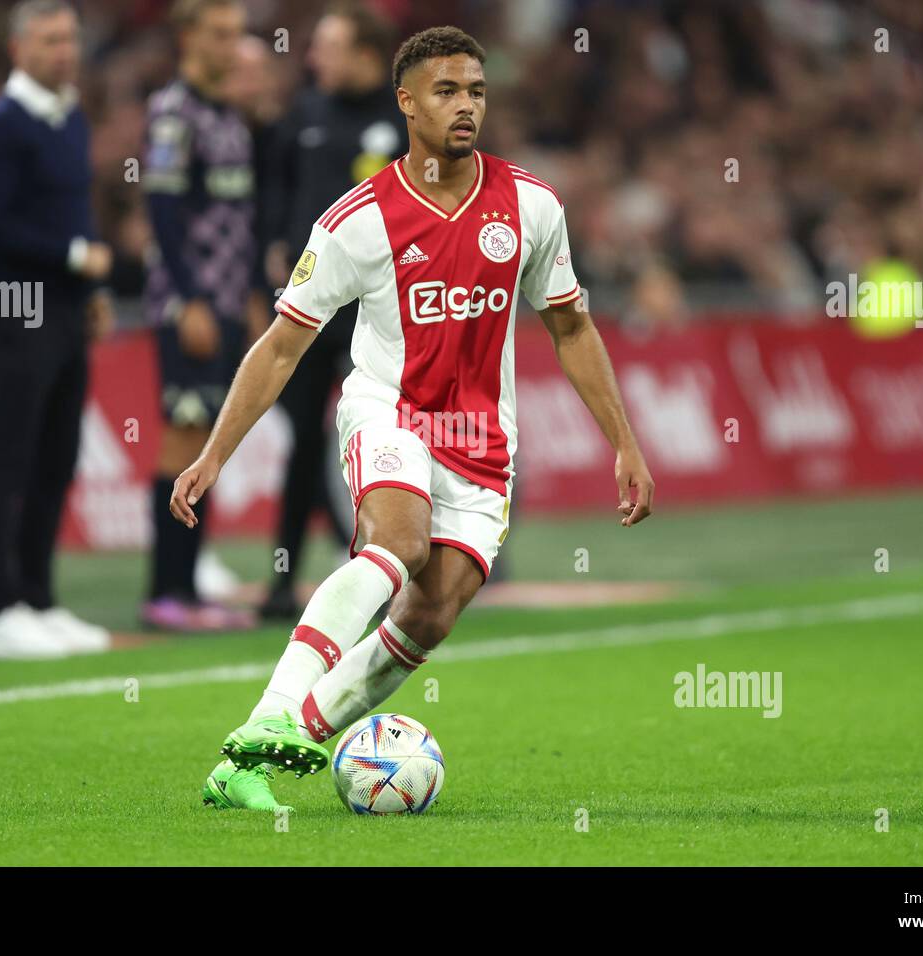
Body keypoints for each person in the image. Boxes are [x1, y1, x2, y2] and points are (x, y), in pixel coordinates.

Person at [170, 26, 654, 812]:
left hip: (480, 439)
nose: (465, 107)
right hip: (388, 410)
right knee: (397, 544)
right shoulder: (356, 221)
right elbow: (282, 346)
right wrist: (216, 454)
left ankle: (255, 764)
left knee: (429, 614)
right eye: (445, 92)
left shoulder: (532, 207)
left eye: (476, 92)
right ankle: (270, 713)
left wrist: (625, 444)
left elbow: (571, 327)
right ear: (407, 102)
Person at [0, 0, 115, 659]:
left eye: (70, 39)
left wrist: (90, 288)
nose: (64, 51)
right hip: (13, 305)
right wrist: (74, 259)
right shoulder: (0, 126)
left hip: (62, 310)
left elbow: (74, 211)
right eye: (51, 39)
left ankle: (39, 597)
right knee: (9, 459)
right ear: (18, 46)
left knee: (55, 457)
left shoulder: (70, 117)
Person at [256, 1, 407, 620]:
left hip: (381, 311)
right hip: (313, 308)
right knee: (301, 444)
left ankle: (399, 569)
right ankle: (281, 581)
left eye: (328, 46)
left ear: (365, 54)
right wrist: (271, 250)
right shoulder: (306, 113)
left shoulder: (401, 119)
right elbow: (277, 189)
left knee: (392, 439)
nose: (314, 57)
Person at [139, 0, 261, 633]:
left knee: (210, 440)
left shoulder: (227, 115)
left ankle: (189, 585)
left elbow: (234, 220)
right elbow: (162, 211)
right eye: (219, 34)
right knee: (183, 435)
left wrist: (244, 292)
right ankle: (165, 590)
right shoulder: (174, 112)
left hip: (226, 302)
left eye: (236, 35)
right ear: (188, 36)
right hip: (189, 305)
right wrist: (188, 298)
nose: (230, 46)